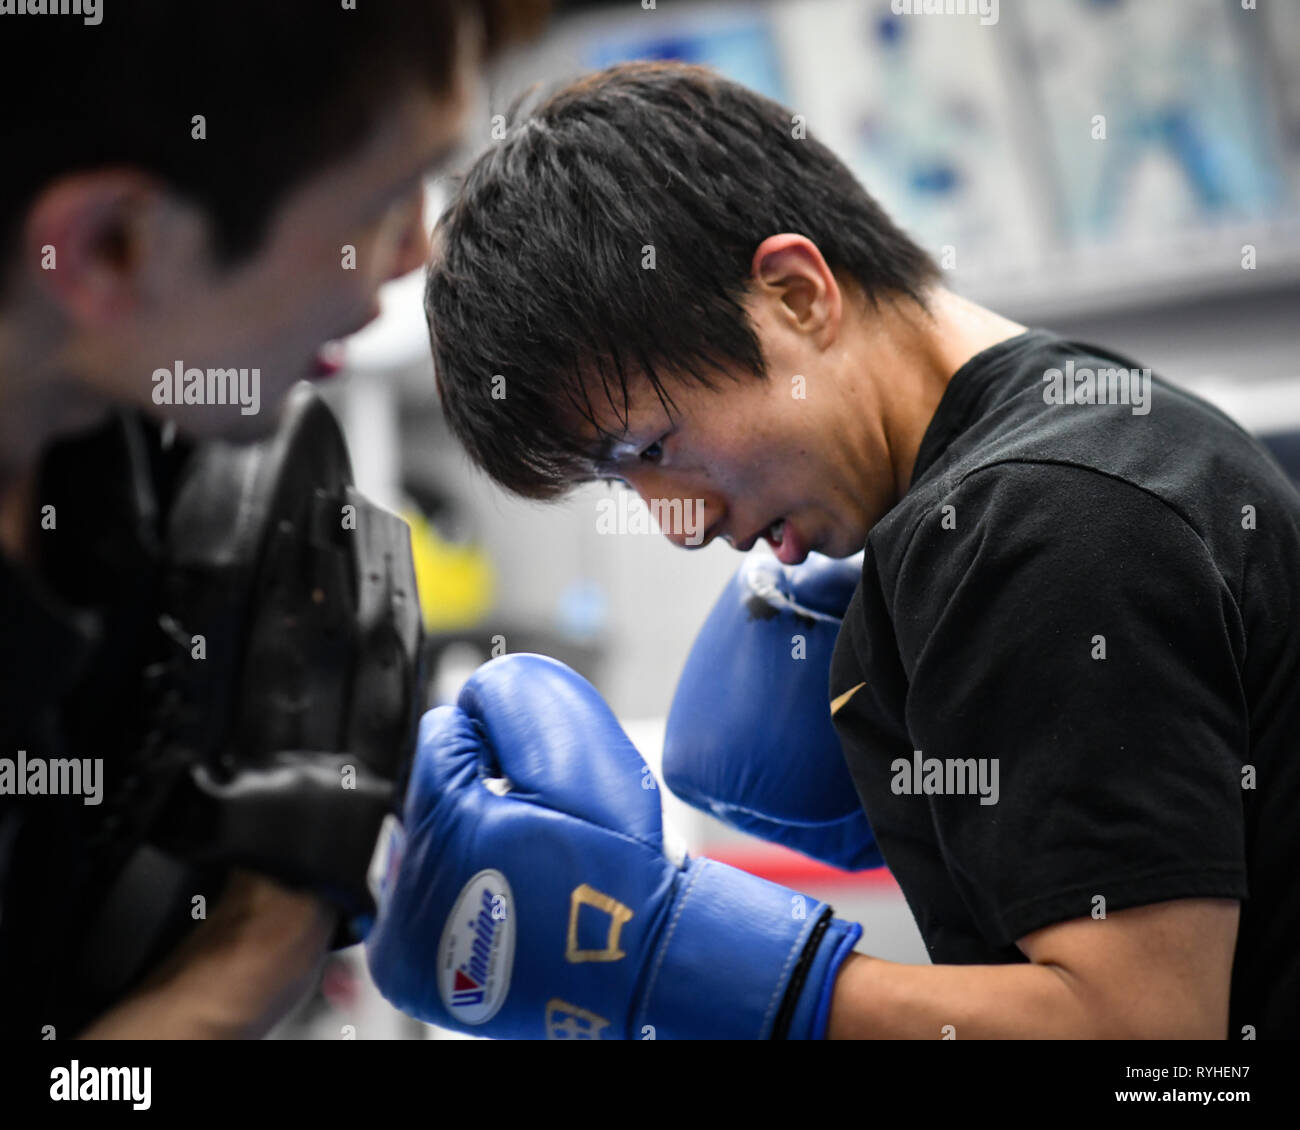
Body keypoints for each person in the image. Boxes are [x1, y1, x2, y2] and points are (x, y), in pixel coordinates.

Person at [367, 61, 1299, 1038]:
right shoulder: (1078, 426)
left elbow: (1144, 1041)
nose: (679, 526)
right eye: (621, 480)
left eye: (652, 447)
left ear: (796, 293)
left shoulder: (1042, 525)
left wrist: (663, 950)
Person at [0, 0, 546, 1040]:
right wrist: (256, 949)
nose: (418, 252)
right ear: (111, 247)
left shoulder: (146, 464)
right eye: (384, 201)